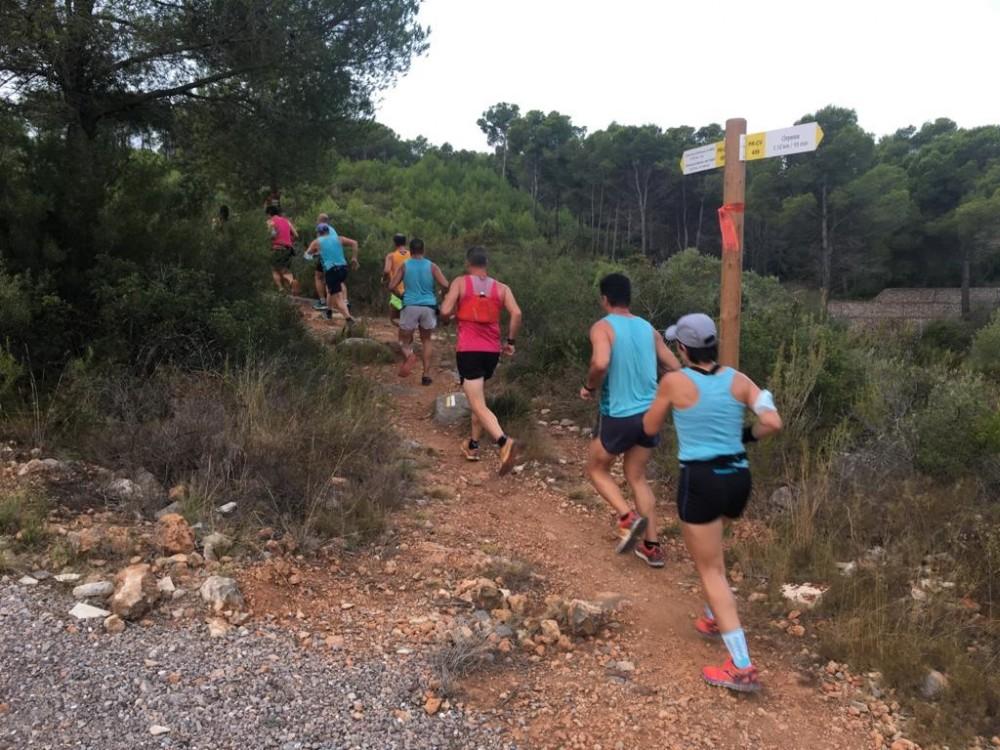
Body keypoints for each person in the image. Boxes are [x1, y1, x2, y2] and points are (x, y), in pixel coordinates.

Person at [642, 313, 782, 693]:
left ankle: (741, 665)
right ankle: (712, 614)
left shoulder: (674, 382)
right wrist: (746, 436)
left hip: (701, 480)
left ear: (683, 349)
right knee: (714, 556)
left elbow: (650, 427)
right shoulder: (739, 380)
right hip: (737, 479)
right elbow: (773, 422)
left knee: (711, 570)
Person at [580, 273, 681, 568]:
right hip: (651, 413)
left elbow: (600, 362)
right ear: (629, 298)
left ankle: (627, 517)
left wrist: (589, 386)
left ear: (605, 299)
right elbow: (675, 366)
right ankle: (652, 546)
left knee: (596, 469)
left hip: (619, 414)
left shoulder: (602, 327)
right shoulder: (648, 328)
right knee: (636, 476)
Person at [440, 246, 522, 475]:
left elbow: (445, 310)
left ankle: (504, 442)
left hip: (469, 350)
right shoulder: (502, 288)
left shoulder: (460, 282)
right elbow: (516, 314)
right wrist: (511, 341)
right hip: (491, 352)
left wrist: (451, 315)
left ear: (468, 264)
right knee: (479, 398)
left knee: (476, 403)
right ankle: (473, 445)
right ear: (486, 264)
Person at [387, 239, 450, 385]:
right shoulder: (432, 266)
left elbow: (391, 286)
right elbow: (446, 284)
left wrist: (400, 296)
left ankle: (409, 355)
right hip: (429, 306)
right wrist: (441, 294)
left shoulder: (405, 265)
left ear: (411, 251)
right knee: (426, 340)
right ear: (423, 250)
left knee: (403, 339)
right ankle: (426, 375)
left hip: (410, 305)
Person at [305, 222, 359, 324]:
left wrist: (315, 255)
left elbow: (306, 256)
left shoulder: (317, 242)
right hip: (343, 269)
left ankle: (349, 319)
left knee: (338, 297)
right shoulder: (339, 238)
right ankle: (329, 312)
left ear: (318, 233)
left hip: (331, 270)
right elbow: (354, 243)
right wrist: (354, 258)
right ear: (328, 231)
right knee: (331, 290)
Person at [266, 205, 299, 294]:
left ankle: (281, 289)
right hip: (288, 249)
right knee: (285, 270)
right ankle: (291, 282)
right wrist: (289, 240)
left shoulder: (270, 222)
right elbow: (296, 235)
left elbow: (271, 235)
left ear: (269, 214)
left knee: (274, 270)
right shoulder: (287, 221)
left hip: (276, 248)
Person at [382, 234, 410, 327]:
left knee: (394, 318)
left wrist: (384, 279)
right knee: (408, 317)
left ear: (394, 243)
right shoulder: (411, 255)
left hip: (396, 291)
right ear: (405, 242)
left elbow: (386, 270)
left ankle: (404, 332)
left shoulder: (391, 256)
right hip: (410, 290)